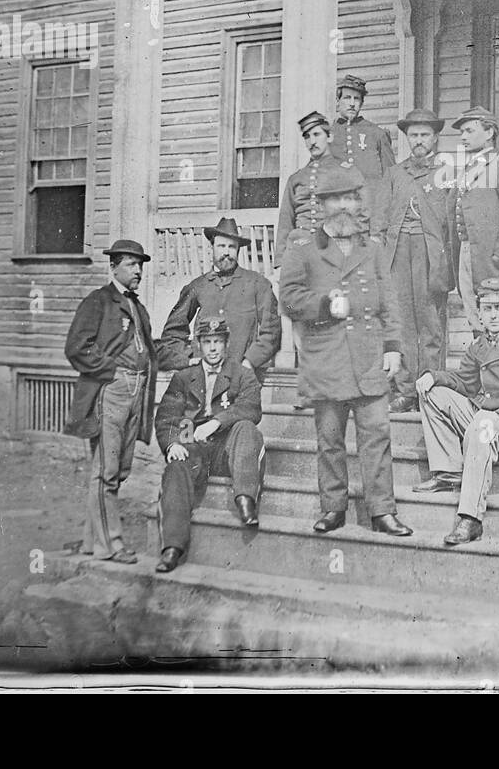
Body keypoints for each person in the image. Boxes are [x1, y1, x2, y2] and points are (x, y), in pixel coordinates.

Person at [278, 164, 413, 537]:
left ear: (359, 204)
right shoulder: (303, 247)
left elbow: (390, 302)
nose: (343, 206)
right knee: (330, 441)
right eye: (335, 199)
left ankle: (382, 511)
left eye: (350, 198)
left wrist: (392, 347)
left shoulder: (372, 249)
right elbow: (288, 298)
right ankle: (333, 508)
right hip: (326, 360)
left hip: (369, 358)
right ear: (320, 205)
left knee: (377, 437)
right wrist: (323, 304)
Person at [412, 278, 499, 545]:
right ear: (478, 311)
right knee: (433, 393)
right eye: (486, 308)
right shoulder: (479, 346)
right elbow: (464, 383)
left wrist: (498, 415)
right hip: (487, 420)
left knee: (481, 428)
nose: (492, 315)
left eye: (498, 308)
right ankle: (449, 471)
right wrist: (434, 376)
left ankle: (470, 518)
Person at [62, 238, 158, 564]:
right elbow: (77, 346)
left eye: (141, 265)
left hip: (137, 393)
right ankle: (111, 545)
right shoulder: (98, 302)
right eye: (131, 264)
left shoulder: (138, 308)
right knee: (106, 470)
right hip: (112, 392)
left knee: (119, 469)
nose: (138, 271)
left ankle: (93, 542)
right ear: (113, 266)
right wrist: (110, 371)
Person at [154, 318, 265, 573]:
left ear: (226, 344)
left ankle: (246, 499)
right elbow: (168, 415)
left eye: (218, 342)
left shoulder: (242, 373)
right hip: (193, 444)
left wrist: (216, 422)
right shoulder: (184, 377)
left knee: (246, 427)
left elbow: (251, 407)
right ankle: (172, 546)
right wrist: (172, 444)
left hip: (228, 449)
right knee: (177, 462)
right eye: (207, 342)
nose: (213, 348)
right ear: (199, 345)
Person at [372, 108, 453, 413]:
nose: (419, 141)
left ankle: (433, 388)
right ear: (407, 139)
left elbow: (452, 221)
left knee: (431, 321)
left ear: (435, 137)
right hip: (397, 253)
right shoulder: (394, 174)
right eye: (414, 135)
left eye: (424, 135)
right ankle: (405, 389)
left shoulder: (446, 172)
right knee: (402, 321)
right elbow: (378, 219)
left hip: (429, 253)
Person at [158, 216, 281, 382]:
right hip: (202, 378)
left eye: (231, 247)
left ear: (238, 250)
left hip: (242, 377)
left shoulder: (258, 284)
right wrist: (191, 358)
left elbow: (272, 331)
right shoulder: (197, 286)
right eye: (221, 246)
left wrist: (250, 362)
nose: (226, 252)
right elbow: (172, 333)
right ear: (212, 248)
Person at [449, 105, 499, 337]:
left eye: (469, 131)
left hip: (492, 261)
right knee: (475, 319)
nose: (463, 136)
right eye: (461, 132)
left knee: (495, 321)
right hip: (467, 255)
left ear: (489, 133)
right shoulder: (466, 169)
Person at [275, 110, 344, 263]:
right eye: (307, 136)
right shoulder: (296, 179)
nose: (312, 141)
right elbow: (286, 223)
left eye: (317, 134)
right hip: (300, 253)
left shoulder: (345, 174)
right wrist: (280, 263)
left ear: (329, 136)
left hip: (334, 252)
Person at [330, 73, 395, 186]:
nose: (351, 104)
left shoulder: (377, 134)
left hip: (370, 201)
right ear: (337, 101)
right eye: (347, 98)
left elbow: (391, 177)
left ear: (362, 103)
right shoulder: (327, 135)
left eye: (356, 99)